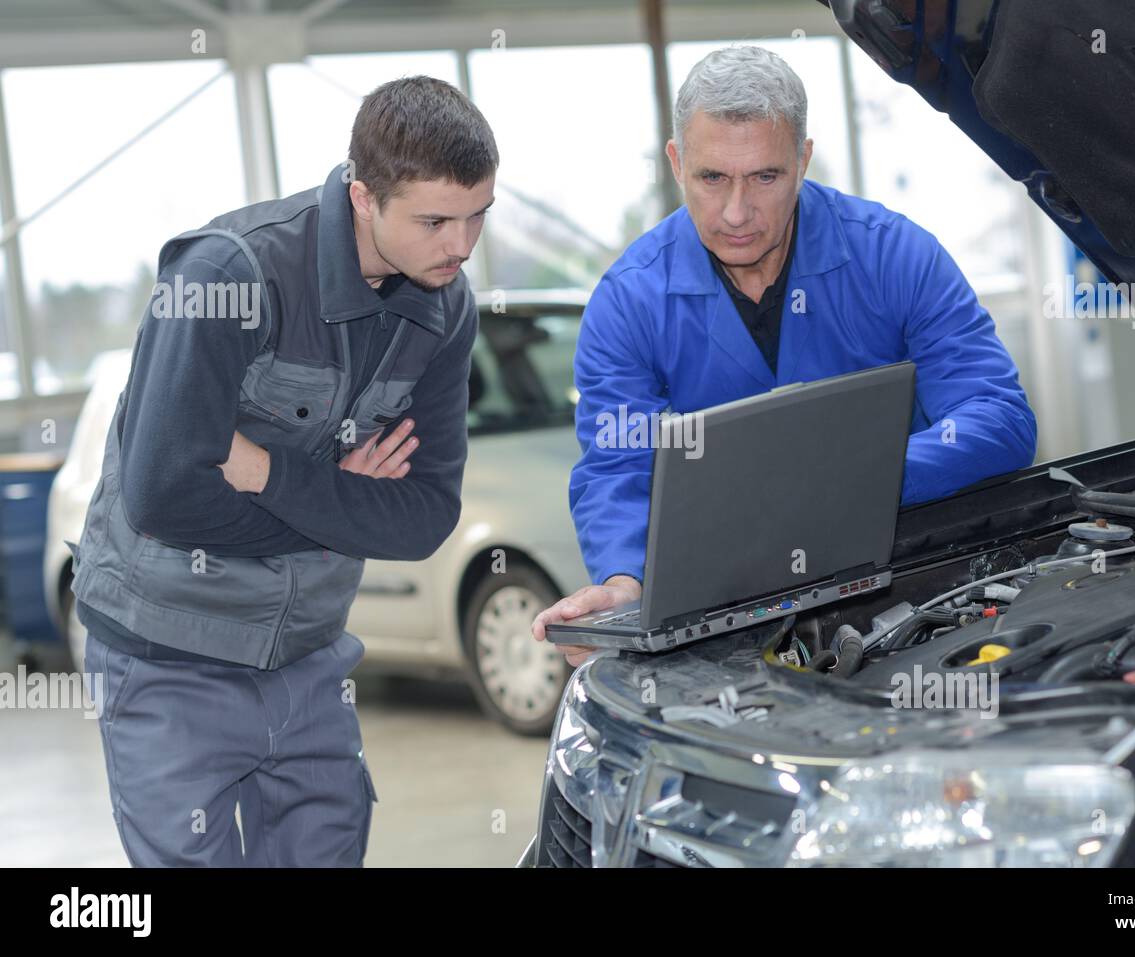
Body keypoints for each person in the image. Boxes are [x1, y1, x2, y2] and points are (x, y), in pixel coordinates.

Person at [70, 76, 496, 866]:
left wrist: (266, 469)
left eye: (478, 215)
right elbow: (163, 494)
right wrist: (343, 501)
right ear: (364, 196)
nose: (461, 245)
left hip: (309, 656)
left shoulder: (446, 308)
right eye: (436, 220)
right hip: (168, 654)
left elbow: (426, 514)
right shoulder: (226, 276)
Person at [531, 46, 1036, 665]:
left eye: (765, 177)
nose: (737, 213)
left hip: (908, 590)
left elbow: (997, 418)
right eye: (712, 178)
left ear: (803, 159)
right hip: (724, 619)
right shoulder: (629, 302)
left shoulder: (896, 257)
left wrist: (852, 480)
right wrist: (623, 587)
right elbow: (618, 469)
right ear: (676, 162)